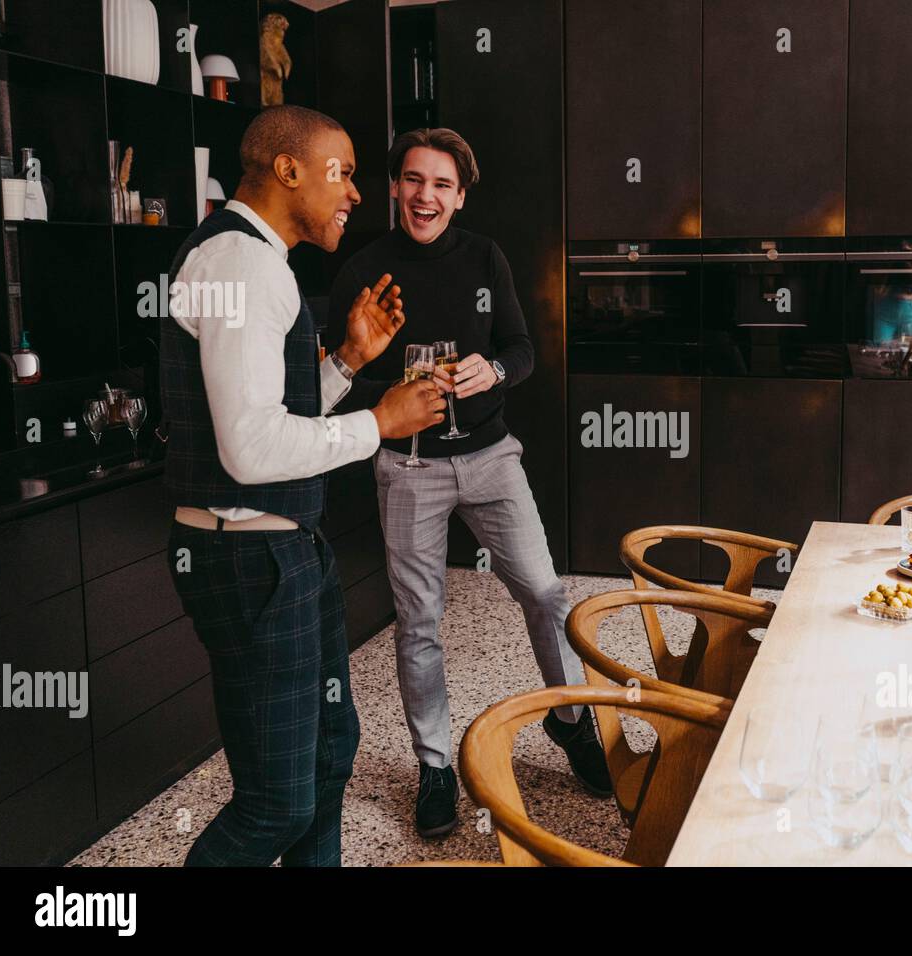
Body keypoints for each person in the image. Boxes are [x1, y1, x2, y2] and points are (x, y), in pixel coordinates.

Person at [161, 106, 446, 866]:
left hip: (284, 550)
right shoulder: (243, 266)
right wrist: (378, 423)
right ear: (288, 171)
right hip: (251, 559)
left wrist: (349, 360)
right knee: (275, 804)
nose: (356, 191)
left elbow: (271, 416)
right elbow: (251, 449)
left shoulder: (256, 261)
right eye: (342, 170)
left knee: (328, 754)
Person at [328, 128, 611, 840]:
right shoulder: (362, 267)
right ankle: (434, 766)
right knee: (419, 623)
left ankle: (570, 720)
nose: (427, 196)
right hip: (409, 465)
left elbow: (522, 348)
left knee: (545, 590)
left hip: (490, 455)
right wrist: (390, 393)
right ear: (395, 187)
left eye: (443, 184)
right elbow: (338, 376)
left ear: (460, 195)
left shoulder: (486, 256)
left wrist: (497, 371)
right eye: (414, 180)